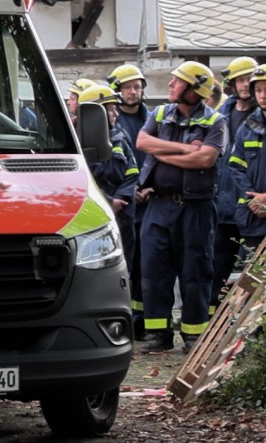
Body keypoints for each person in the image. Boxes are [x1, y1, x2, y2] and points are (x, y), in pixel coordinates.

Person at [136, 61, 227, 354]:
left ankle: (193, 335)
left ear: (192, 90)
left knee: (195, 271)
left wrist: (163, 153)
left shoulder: (216, 122)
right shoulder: (160, 113)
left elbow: (205, 161)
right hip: (158, 205)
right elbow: (142, 141)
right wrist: (187, 149)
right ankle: (158, 335)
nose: (171, 85)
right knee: (154, 270)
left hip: (196, 209)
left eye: (177, 82)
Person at [107, 62, 153, 338]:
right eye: (128, 87)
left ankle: (142, 319)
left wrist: (148, 186)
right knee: (126, 262)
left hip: (150, 198)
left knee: (145, 264)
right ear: (117, 90)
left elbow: (156, 157)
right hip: (124, 202)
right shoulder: (111, 121)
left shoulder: (151, 118)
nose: (133, 92)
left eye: (137, 87)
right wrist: (130, 189)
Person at [78, 85, 139, 276]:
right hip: (94, 215)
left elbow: (133, 171)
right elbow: (81, 178)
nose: (116, 114)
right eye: (110, 109)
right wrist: (108, 201)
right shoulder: (77, 141)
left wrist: (120, 199)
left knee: (125, 268)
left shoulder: (120, 137)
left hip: (123, 213)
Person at [212, 56, 258, 311]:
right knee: (217, 267)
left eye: (249, 80)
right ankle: (214, 319)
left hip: (253, 208)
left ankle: (246, 321)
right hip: (223, 208)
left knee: (252, 271)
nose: (245, 85)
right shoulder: (221, 115)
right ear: (231, 83)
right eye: (240, 80)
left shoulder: (259, 118)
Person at [229, 66, 266, 258]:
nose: (263, 96)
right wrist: (254, 199)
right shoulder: (248, 127)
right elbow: (235, 166)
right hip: (253, 220)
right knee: (253, 284)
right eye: (258, 90)